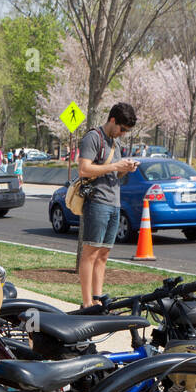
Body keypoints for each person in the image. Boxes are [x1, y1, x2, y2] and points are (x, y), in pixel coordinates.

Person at [76, 101, 138, 307]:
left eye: (126, 131)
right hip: (97, 202)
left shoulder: (115, 143)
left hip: (114, 202)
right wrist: (114, 165)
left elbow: (113, 171)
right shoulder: (93, 137)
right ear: (112, 120)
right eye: (122, 129)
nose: (123, 133)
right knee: (90, 252)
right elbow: (84, 169)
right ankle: (86, 303)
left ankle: (98, 298)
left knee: (103, 254)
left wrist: (125, 169)